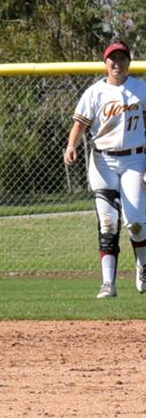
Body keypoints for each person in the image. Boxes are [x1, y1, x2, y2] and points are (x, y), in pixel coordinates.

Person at [64, 39, 146, 297]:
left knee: (135, 223)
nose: (117, 63)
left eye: (122, 58)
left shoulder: (140, 89)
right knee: (108, 223)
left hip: (135, 160)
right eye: (113, 59)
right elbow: (80, 124)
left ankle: (143, 265)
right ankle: (108, 283)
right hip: (103, 161)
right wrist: (71, 145)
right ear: (105, 63)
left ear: (129, 63)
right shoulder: (94, 92)